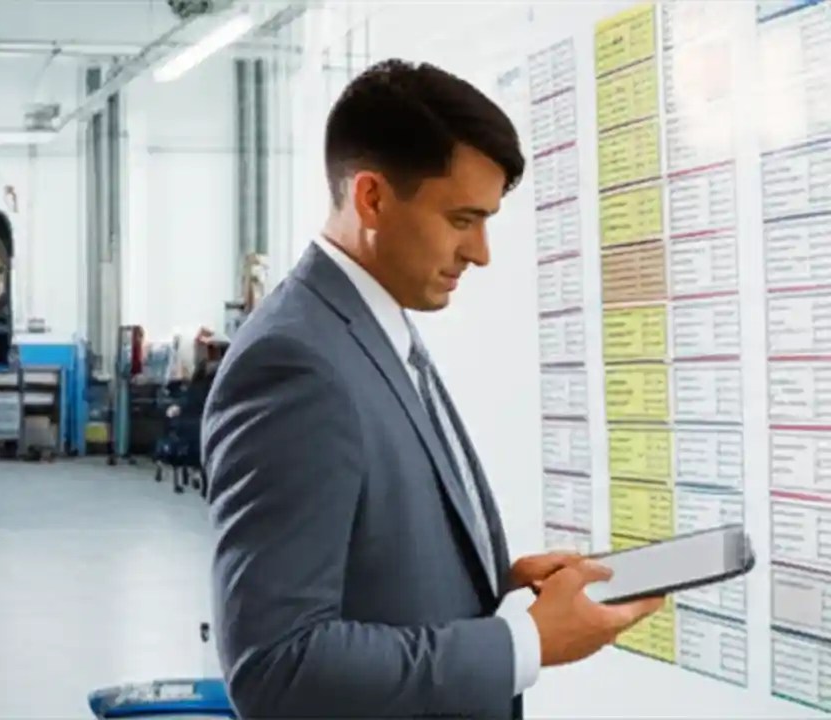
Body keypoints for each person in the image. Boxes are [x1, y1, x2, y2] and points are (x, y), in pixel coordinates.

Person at [201, 60, 665, 719]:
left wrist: (488, 580)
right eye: (461, 220)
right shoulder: (295, 364)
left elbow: (359, 554)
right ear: (372, 199)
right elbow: (278, 666)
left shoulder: (373, 327)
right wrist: (525, 641)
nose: (481, 252)